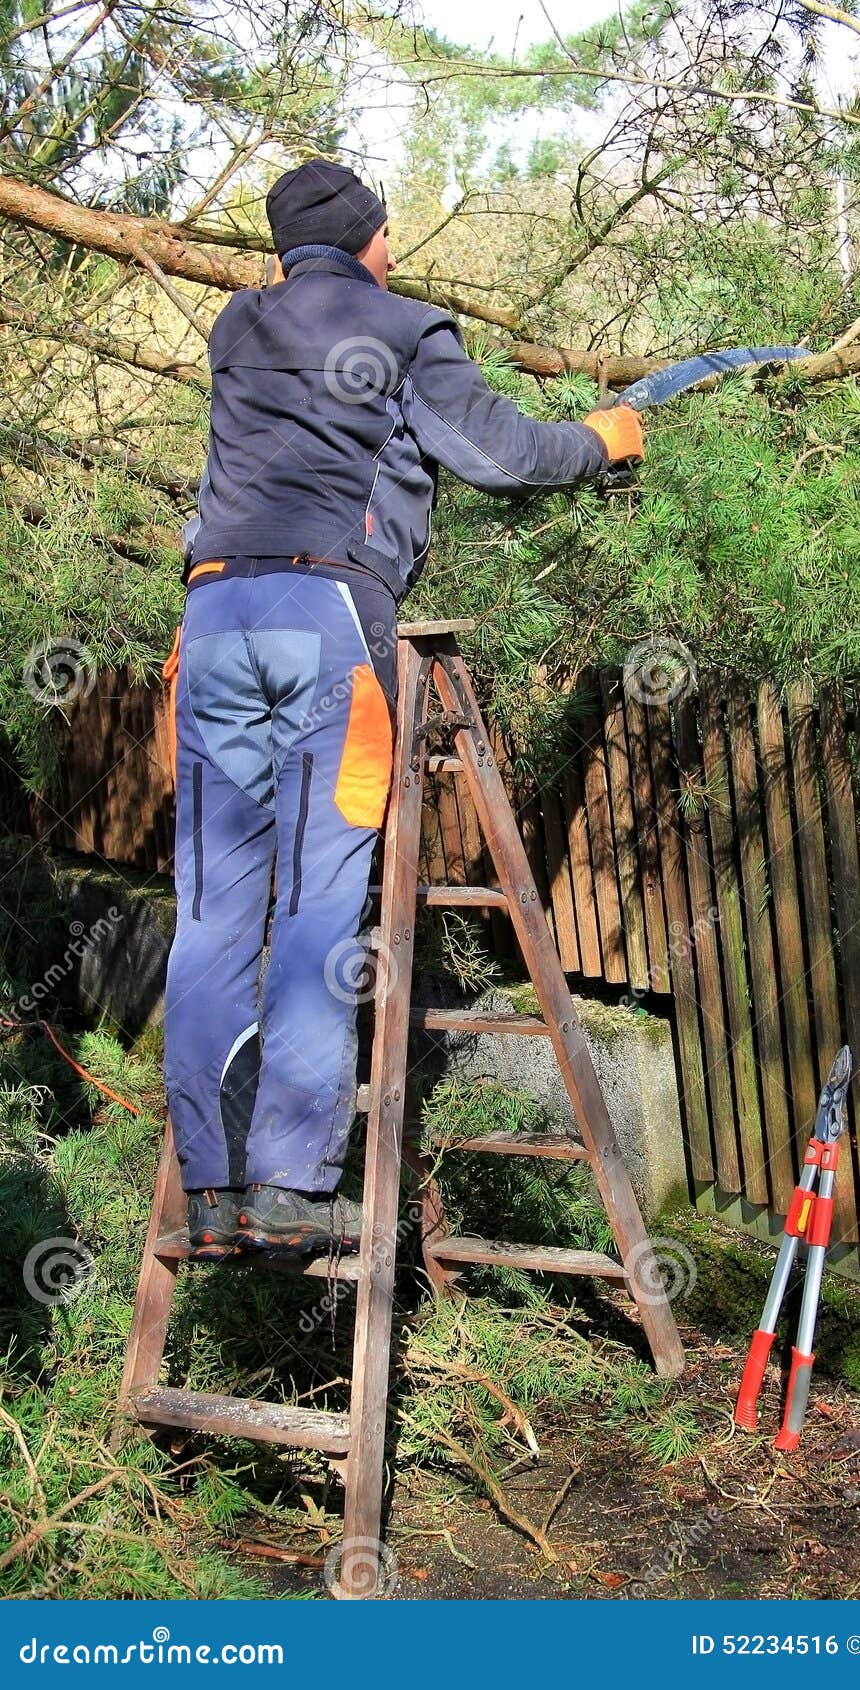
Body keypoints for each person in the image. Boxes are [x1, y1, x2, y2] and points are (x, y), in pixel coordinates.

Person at [162, 158, 644, 1257]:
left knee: (215, 907)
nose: (394, 249)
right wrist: (602, 443)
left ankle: (212, 1187)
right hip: (328, 617)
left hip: (216, 615)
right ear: (370, 240)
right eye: (387, 233)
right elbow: (496, 454)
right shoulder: (407, 325)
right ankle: (289, 1185)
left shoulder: (237, 330)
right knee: (321, 899)